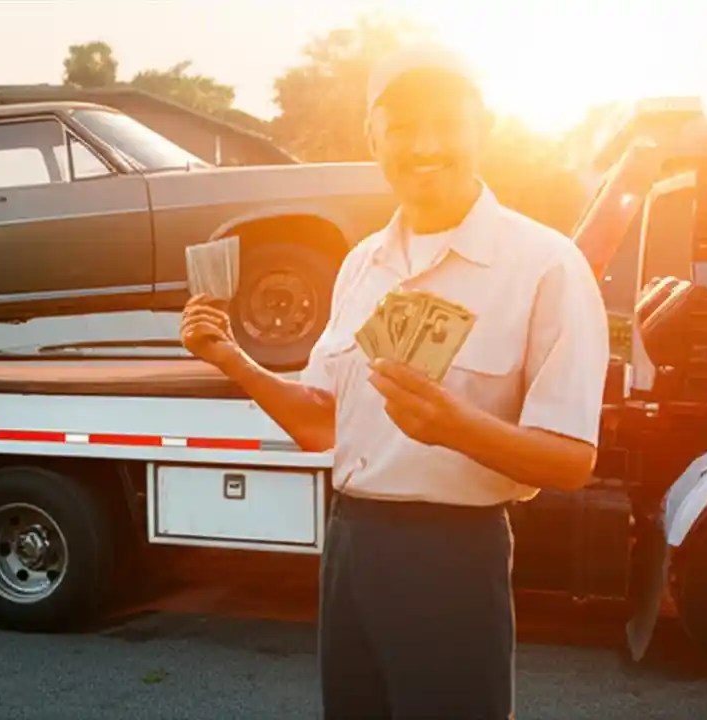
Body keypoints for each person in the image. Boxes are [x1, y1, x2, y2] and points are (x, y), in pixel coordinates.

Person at [180, 44, 611, 719]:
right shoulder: (361, 264)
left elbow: (572, 461)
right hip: (352, 540)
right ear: (373, 137)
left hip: (455, 555)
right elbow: (319, 421)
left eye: (447, 122)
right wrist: (231, 357)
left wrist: (454, 426)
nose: (426, 144)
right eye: (402, 124)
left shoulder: (545, 265)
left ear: (485, 129)